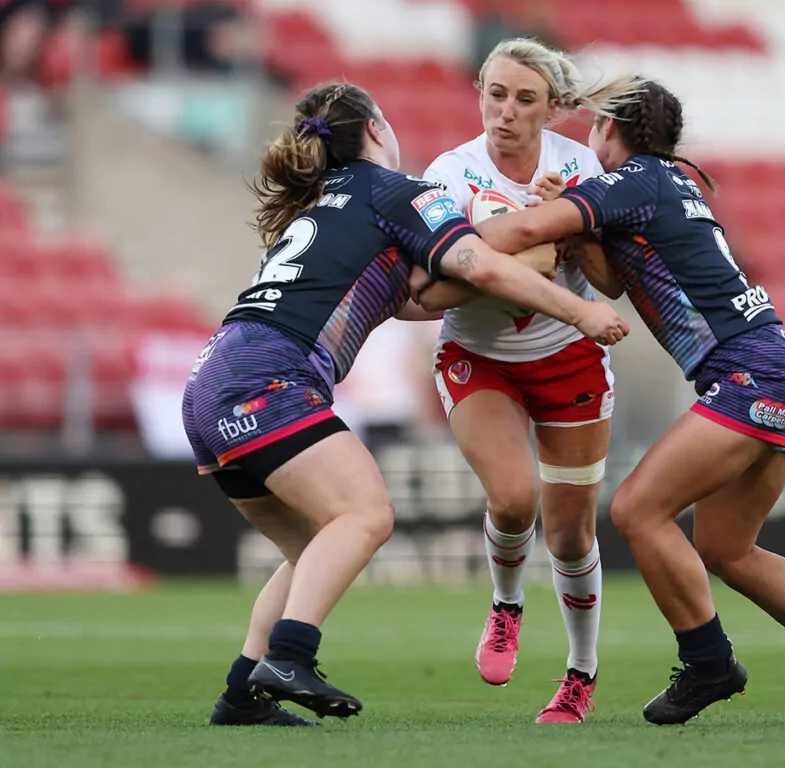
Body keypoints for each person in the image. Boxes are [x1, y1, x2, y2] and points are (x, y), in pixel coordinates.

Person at [180, 81, 629, 727]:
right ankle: (289, 656)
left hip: (213, 379)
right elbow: (477, 265)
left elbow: (419, 297)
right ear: (376, 129)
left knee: (314, 546)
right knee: (365, 515)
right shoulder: (399, 191)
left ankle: (241, 696)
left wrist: (519, 264)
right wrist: (577, 308)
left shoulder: (325, 201)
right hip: (269, 377)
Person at [473, 77, 785, 726]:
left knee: (638, 508)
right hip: (784, 368)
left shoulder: (630, 181)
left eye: (595, 124)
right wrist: (579, 224)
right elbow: (613, 280)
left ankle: (709, 664)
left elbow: (526, 227)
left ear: (610, 129)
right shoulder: (667, 181)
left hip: (755, 375)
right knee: (727, 549)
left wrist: (446, 239)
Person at [416, 38, 639, 723]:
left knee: (570, 537)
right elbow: (427, 289)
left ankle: (580, 673)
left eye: (524, 99)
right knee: (514, 501)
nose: (506, 111)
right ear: (480, 93)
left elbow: (611, 284)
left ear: (551, 108)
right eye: (496, 94)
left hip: (569, 358)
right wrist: (524, 249)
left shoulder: (580, 166)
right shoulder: (449, 172)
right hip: (479, 356)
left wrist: (576, 224)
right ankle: (507, 604)